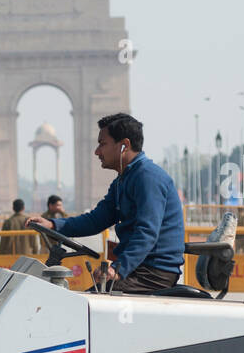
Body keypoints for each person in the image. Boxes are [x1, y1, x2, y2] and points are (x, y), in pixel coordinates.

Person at [28, 113, 183, 293]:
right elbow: (95, 220)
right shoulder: (123, 181)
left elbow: (146, 232)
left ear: (124, 145)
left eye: (102, 144)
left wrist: (118, 268)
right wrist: (53, 224)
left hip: (153, 274)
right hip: (137, 269)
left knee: (86, 306)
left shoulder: (148, 178)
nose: (97, 151)